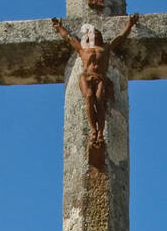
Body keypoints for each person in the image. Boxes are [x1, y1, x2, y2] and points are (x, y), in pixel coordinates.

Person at [51, 13, 140, 145]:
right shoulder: (82, 49)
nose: (94, 35)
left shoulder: (106, 48)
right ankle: (93, 130)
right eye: (92, 34)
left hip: (100, 78)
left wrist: (129, 24)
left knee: (99, 102)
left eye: (96, 34)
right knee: (89, 97)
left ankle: (100, 133)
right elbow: (68, 38)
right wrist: (59, 27)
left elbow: (120, 37)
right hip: (86, 77)